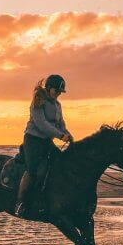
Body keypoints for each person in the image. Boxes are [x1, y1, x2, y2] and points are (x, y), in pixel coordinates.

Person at [15, 74, 73, 218]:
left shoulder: (57, 105)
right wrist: (60, 136)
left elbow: (60, 124)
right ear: (48, 88)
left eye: (60, 92)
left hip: (46, 141)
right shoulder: (38, 102)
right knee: (33, 170)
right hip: (33, 140)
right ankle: (21, 203)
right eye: (57, 91)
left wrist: (68, 134)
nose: (59, 94)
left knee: (61, 164)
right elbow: (42, 124)